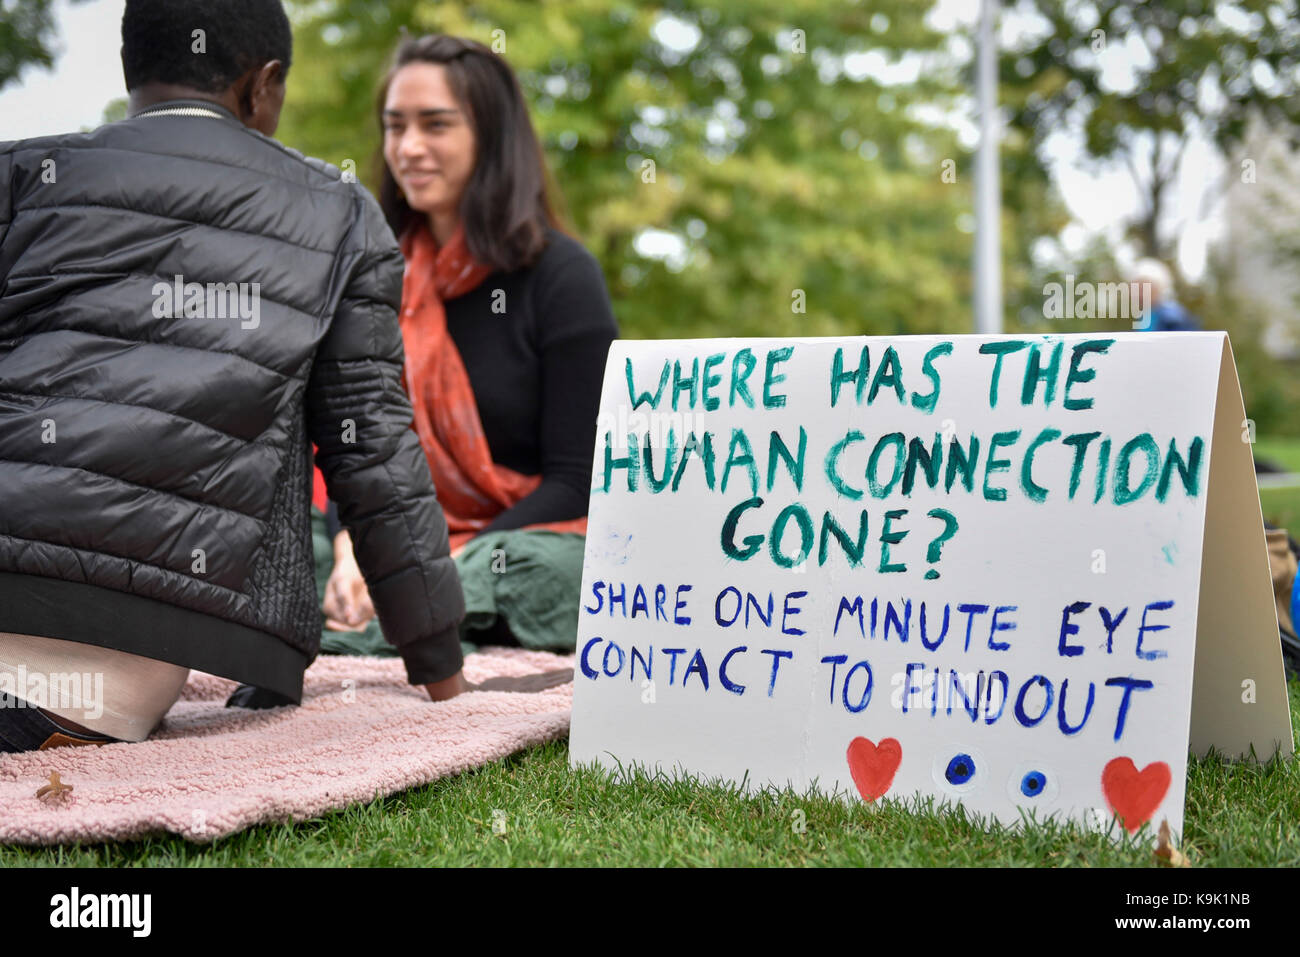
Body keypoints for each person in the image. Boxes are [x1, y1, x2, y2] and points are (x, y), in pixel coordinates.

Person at [0, 0, 555, 756]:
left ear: (130, 68)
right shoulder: (339, 214)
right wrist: (441, 668)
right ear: (263, 87)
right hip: (82, 679)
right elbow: (372, 456)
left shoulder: (22, 176)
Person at [319, 34, 618, 655]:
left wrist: (423, 562)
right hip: (394, 535)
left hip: (523, 540)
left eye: (435, 125)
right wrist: (356, 548)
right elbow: (354, 453)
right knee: (278, 541)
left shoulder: (562, 278)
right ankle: (383, 610)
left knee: (531, 572)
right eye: (394, 126)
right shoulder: (375, 277)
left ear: (491, 137)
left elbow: (577, 479)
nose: (408, 148)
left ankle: (393, 616)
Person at [1130, 258, 1200, 331]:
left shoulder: (1173, 318)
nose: (1138, 294)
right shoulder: (1147, 315)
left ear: (1158, 287)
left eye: (1143, 288)